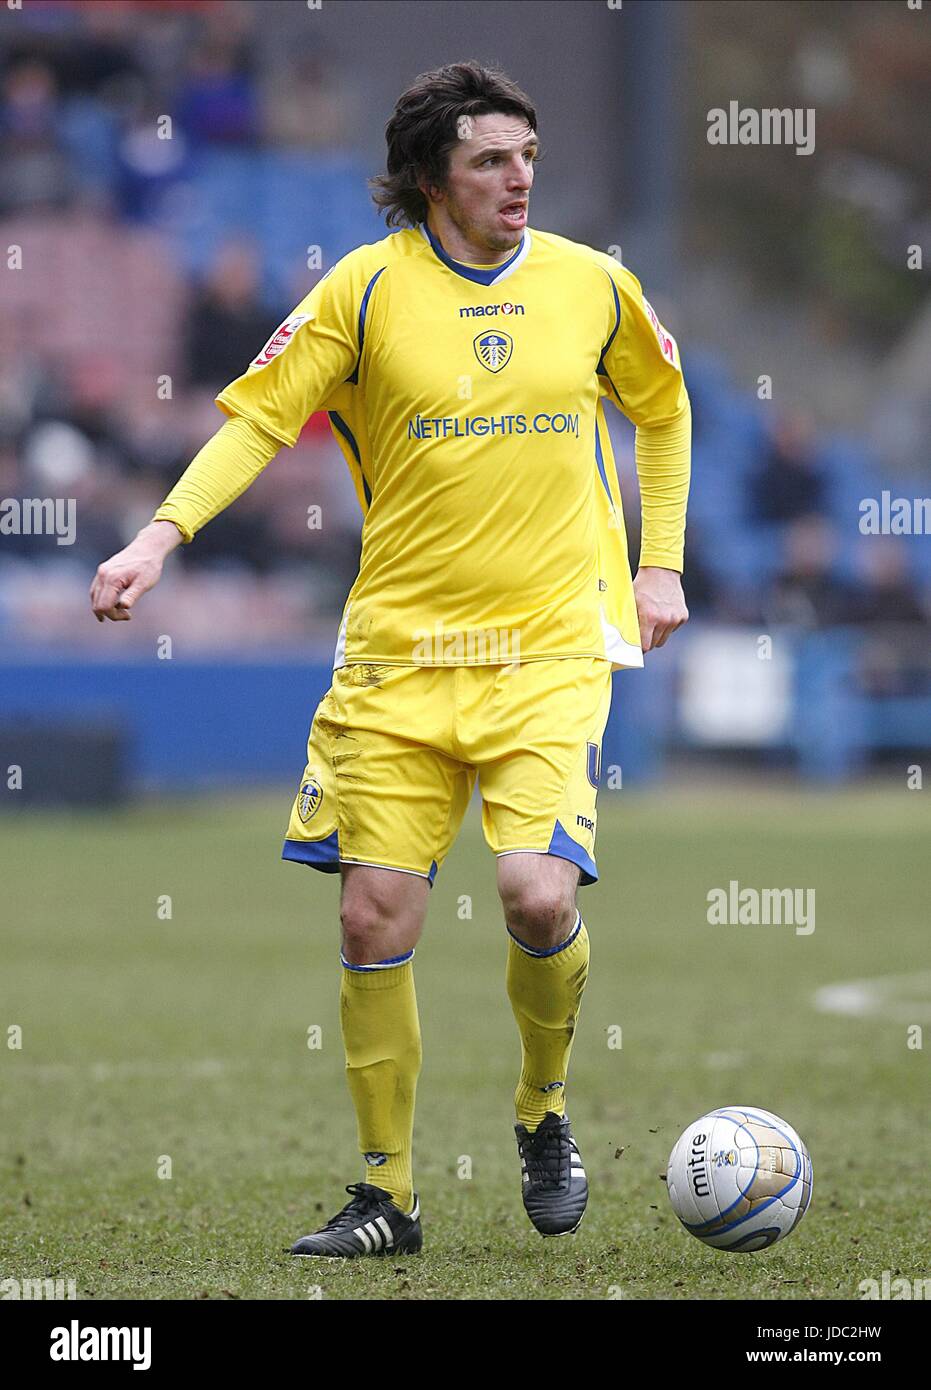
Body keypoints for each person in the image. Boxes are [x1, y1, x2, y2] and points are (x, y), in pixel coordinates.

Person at [90, 62, 691, 1257]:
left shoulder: (592, 285)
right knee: (373, 919)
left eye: (526, 156)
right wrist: (159, 539)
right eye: (489, 161)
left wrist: (658, 561)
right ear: (429, 178)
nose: (519, 178)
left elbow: (662, 411)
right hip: (398, 661)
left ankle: (543, 1109)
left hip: (547, 649)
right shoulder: (358, 295)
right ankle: (389, 1198)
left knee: (534, 892)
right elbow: (261, 419)